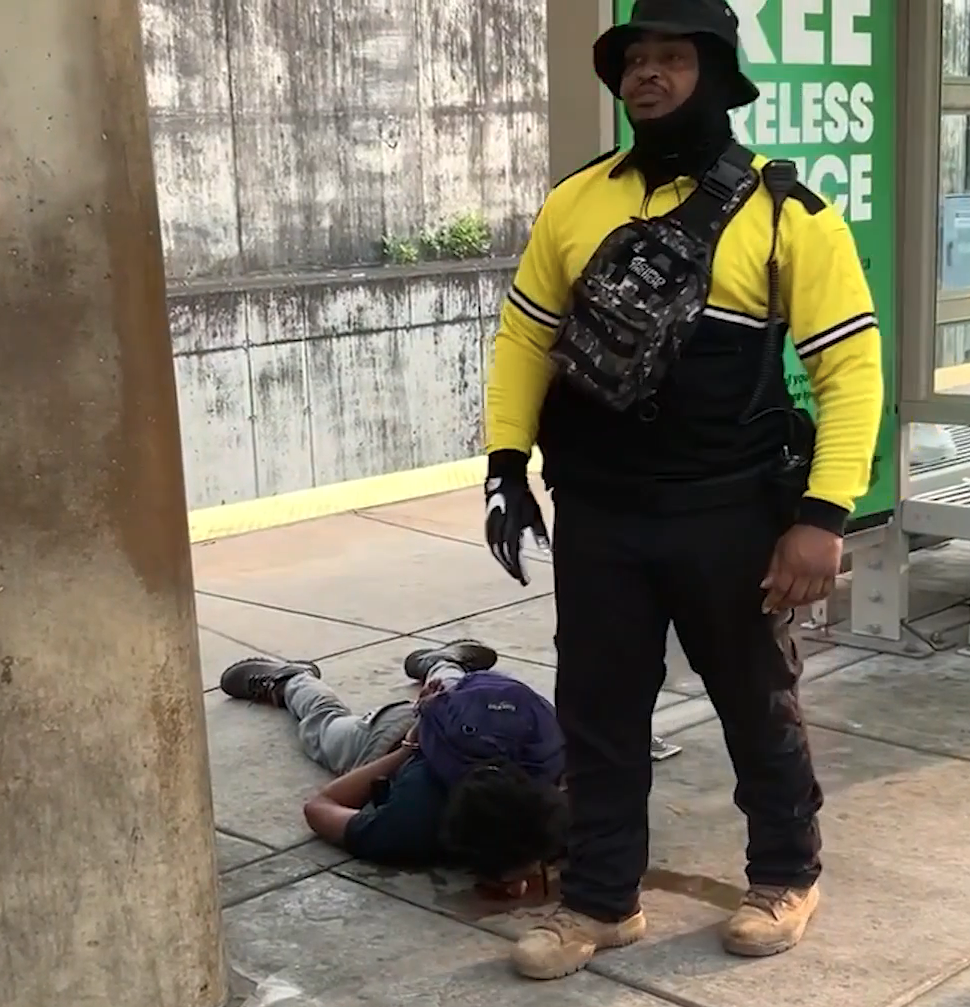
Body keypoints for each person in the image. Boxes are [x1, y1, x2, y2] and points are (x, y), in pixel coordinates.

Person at [483, 0, 883, 981]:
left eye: (671, 59)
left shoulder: (787, 211)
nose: (647, 77)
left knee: (757, 701)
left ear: (716, 72)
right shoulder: (575, 203)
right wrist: (505, 466)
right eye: (635, 61)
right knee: (598, 710)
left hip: (731, 511)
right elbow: (526, 337)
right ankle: (599, 900)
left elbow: (851, 367)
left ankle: (787, 875)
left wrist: (822, 517)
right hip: (601, 510)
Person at [218, 640, 568, 892]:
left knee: (446, 688)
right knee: (325, 725)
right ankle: (291, 680)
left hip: (454, 709)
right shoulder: (410, 822)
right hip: (390, 735)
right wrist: (407, 749)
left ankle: (443, 663)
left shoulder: (559, 798)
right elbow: (320, 807)